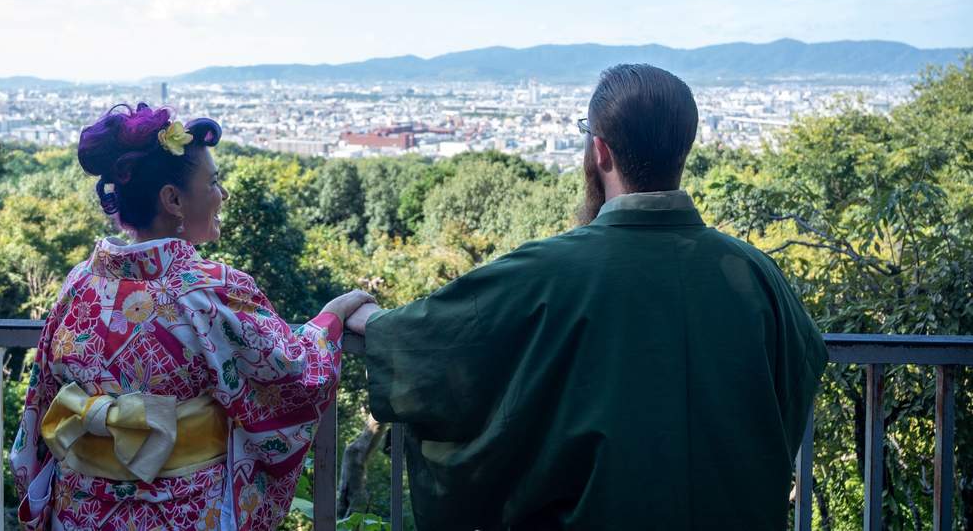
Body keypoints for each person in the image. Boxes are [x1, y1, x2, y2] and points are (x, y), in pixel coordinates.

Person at [347, 64, 828, 531]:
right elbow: (797, 380)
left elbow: (437, 341)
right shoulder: (758, 275)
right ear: (684, 148)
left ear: (600, 151)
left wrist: (372, 321)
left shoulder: (544, 272)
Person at [10, 103, 374, 531]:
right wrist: (331, 318)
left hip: (80, 511)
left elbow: (41, 401)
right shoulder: (209, 291)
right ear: (173, 199)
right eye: (214, 182)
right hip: (182, 511)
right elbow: (293, 373)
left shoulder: (79, 285)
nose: (223, 195)